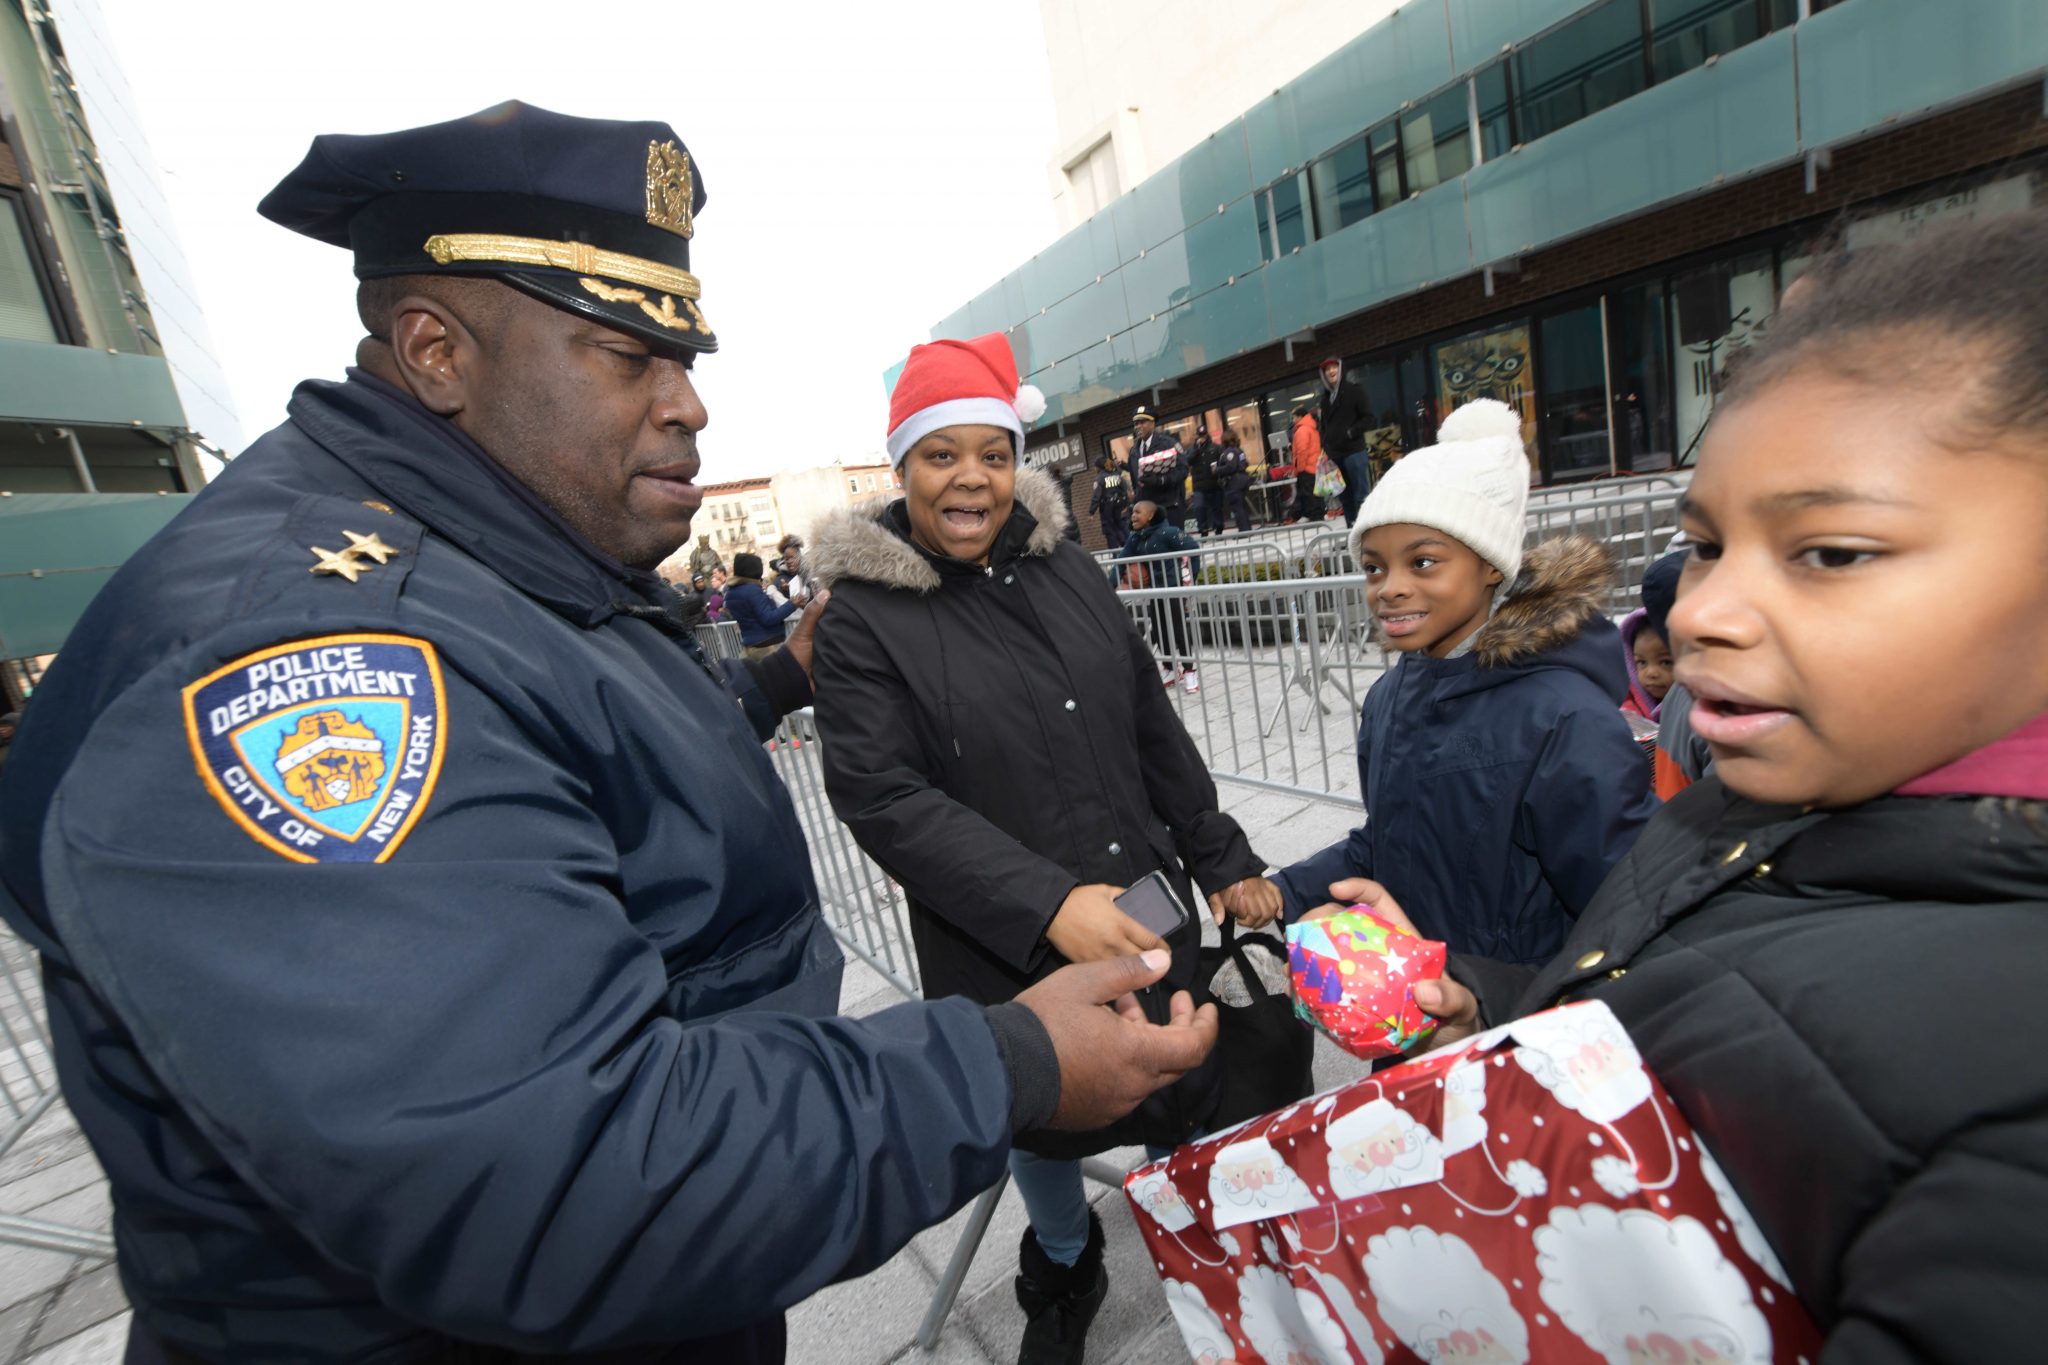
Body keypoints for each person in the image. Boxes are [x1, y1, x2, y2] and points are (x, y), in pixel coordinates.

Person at [0, 103, 1221, 1363]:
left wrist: (765, 687)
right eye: (627, 355)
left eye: (682, 358)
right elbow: (548, 1183)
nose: (688, 405)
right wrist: (1006, 1064)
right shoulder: (323, 662)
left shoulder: (503, 556)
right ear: (435, 350)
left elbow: (578, 754)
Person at [1368, 210, 2048, 1358]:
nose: (1696, 615)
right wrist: (1484, 1002)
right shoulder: (1742, 798)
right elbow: (1650, 991)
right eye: (1706, 544)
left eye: (1829, 552)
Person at [808, 332, 1279, 1365]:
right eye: (941, 454)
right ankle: (1066, 1258)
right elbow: (881, 795)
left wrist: (1221, 854)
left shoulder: (1068, 567)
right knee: (1047, 1117)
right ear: (902, 466)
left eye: (992, 452)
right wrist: (1048, 904)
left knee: (1181, 1074)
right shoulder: (861, 620)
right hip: (1004, 941)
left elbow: (1148, 721)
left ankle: (1207, 1229)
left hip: (1145, 906)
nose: (970, 477)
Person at [1271, 399, 1655, 963]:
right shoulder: (1389, 699)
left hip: (1519, 1009)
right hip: (1420, 999)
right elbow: (1390, 844)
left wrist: (1489, 998)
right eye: (1374, 566)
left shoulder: (1564, 719)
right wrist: (1283, 892)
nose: (1389, 587)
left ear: (1491, 564)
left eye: (1423, 562)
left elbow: (1630, 915)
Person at [1118, 499, 1205, 694]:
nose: (1133, 516)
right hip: (1154, 592)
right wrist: (1108, 585)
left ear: (1150, 515)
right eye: (1132, 512)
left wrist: (1189, 578)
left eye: (1138, 512)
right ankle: (1170, 669)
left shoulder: (1169, 532)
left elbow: (1193, 549)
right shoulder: (1136, 538)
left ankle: (1189, 671)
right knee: (1159, 631)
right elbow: (1122, 561)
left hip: (1173, 590)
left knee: (1179, 631)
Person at [1316, 356, 1372, 523]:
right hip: (1335, 456)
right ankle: (1351, 531)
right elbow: (1324, 426)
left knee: (1361, 495)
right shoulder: (1325, 400)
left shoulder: (1355, 391)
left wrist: (1350, 432)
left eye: (1334, 367)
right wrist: (1325, 445)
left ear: (1341, 369)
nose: (1331, 371)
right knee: (1345, 498)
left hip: (1354, 452)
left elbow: (1368, 418)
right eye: (1327, 369)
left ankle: (1364, 530)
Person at [726, 550, 799, 660]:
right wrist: (791, 604)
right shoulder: (752, 590)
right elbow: (768, 618)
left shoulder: (731, 592)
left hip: (751, 644)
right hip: (767, 645)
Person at [1127, 406, 1186, 531]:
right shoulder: (1134, 451)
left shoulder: (1168, 444)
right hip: (1147, 514)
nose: (1138, 426)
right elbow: (1135, 482)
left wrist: (1161, 480)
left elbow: (1183, 470)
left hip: (1168, 507)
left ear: (1153, 423)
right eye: (1136, 423)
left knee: (1174, 541)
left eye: (1142, 422)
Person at [1087, 450, 1133, 550]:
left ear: (1098, 467)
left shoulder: (1100, 478)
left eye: (1095, 466)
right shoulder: (1117, 475)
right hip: (1119, 506)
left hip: (1107, 508)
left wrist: (1091, 512)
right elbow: (1125, 490)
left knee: (1110, 531)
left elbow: (1096, 496)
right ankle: (1130, 549)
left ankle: (1116, 556)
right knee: (1122, 527)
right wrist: (1125, 505)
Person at [1285, 403, 1323, 523]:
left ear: (1300, 417)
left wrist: (1299, 468)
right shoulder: (1312, 428)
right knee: (1315, 493)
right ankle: (1318, 514)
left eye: (1294, 417)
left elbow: (1302, 451)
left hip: (1306, 467)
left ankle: (1314, 517)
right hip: (1315, 465)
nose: (1293, 420)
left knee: (1308, 494)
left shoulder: (1302, 430)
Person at [1213, 428, 1253, 533]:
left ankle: (1244, 530)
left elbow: (1231, 467)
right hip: (1243, 479)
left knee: (1237, 507)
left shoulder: (1229, 452)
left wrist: (1217, 469)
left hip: (1234, 482)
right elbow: (1245, 464)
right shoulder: (1239, 450)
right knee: (1242, 506)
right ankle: (1247, 528)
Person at [1186, 426, 1222, 534]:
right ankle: (1203, 529)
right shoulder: (1192, 449)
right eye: (1200, 436)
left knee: (1216, 508)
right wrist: (1196, 449)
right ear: (1196, 436)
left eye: (1204, 435)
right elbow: (1187, 461)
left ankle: (1218, 528)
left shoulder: (1215, 447)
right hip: (1199, 486)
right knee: (1199, 507)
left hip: (1214, 483)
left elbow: (1221, 461)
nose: (1202, 438)